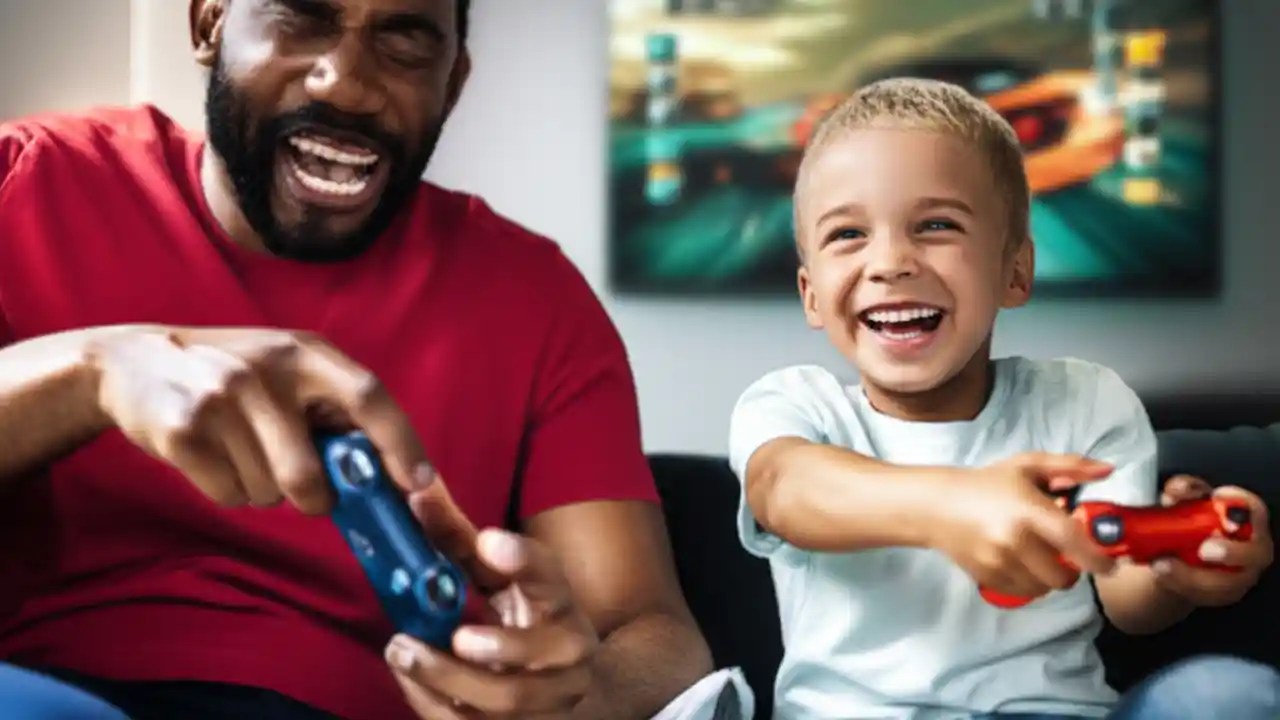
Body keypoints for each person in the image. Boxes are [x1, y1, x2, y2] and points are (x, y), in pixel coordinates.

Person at [0, 0, 714, 718]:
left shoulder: (537, 298)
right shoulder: (24, 183)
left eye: (404, 43)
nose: (346, 83)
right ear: (209, 25)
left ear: (452, 84)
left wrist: (574, 697)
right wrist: (95, 372)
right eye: (299, 17)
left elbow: (654, 635)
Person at [727, 77, 1279, 719]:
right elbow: (786, 491)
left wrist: (1173, 567)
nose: (891, 262)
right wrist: (951, 504)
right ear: (811, 294)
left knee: (1224, 695)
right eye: (848, 235)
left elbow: (1129, 603)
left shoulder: (1085, 401)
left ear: (1014, 272)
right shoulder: (796, 405)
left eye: (935, 225)